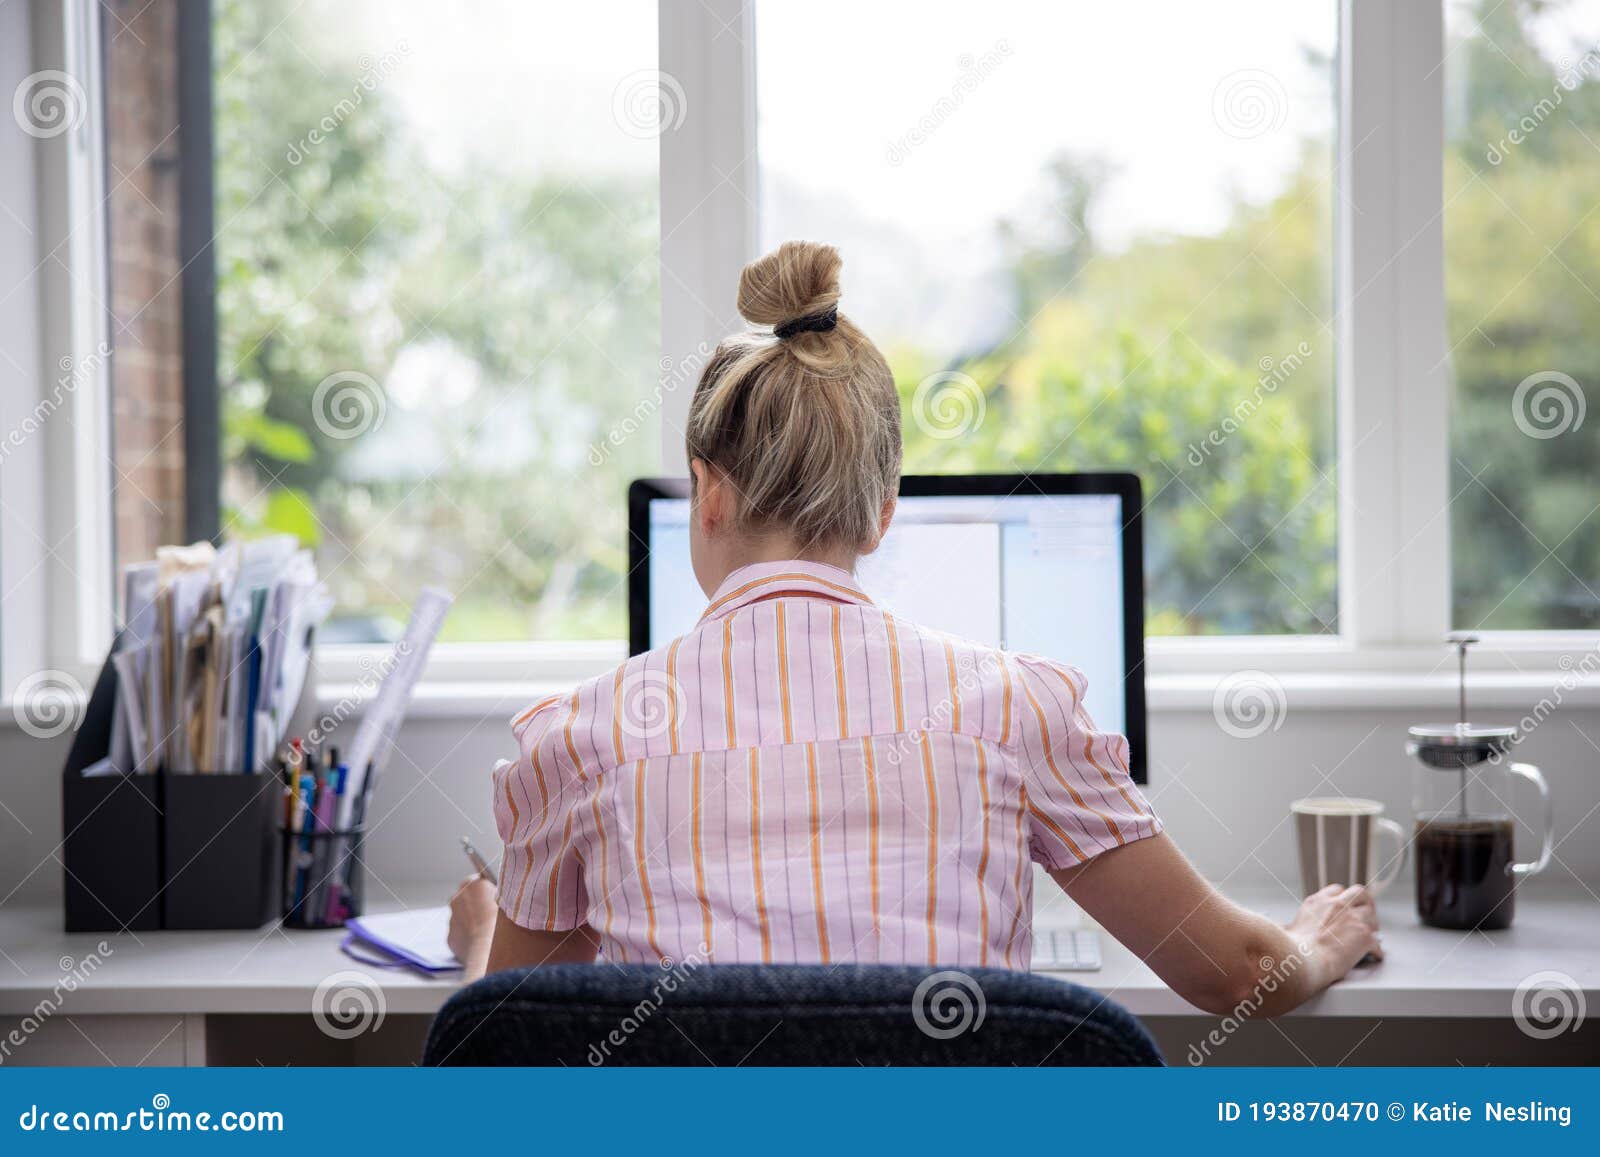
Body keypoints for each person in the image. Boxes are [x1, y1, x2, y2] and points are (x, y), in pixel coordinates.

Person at [447, 240, 1381, 1016]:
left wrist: (481, 934)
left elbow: (511, 1046)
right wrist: (1320, 941)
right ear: (883, 509)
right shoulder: (1014, 711)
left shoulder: (581, 742)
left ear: (709, 492)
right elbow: (1238, 971)